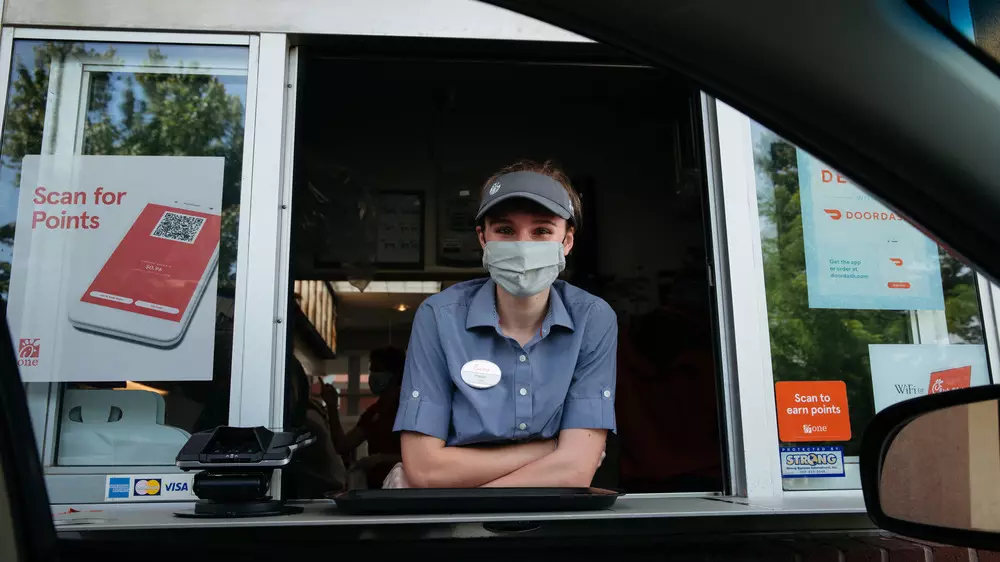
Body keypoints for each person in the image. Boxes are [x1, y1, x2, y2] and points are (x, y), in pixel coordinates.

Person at [386, 159, 617, 489]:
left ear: (567, 241)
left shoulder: (592, 318)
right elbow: (425, 469)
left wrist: (461, 497)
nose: (523, 246)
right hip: (455, 522)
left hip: (471, 510)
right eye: (505, 230)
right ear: (483, 238)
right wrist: (549, 449)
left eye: (541, 231)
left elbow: (575, 471)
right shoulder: (439, 316)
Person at [322, 346, 405, 489]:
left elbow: (421, 457)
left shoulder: (408, 409)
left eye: (378, 370)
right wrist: (331, 406)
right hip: (376, 489)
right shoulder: (373, 412)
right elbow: (343, 445)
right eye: (371, 370)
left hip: (403, 487)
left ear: (395, 374)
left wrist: (379, 459)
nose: (372, 376)